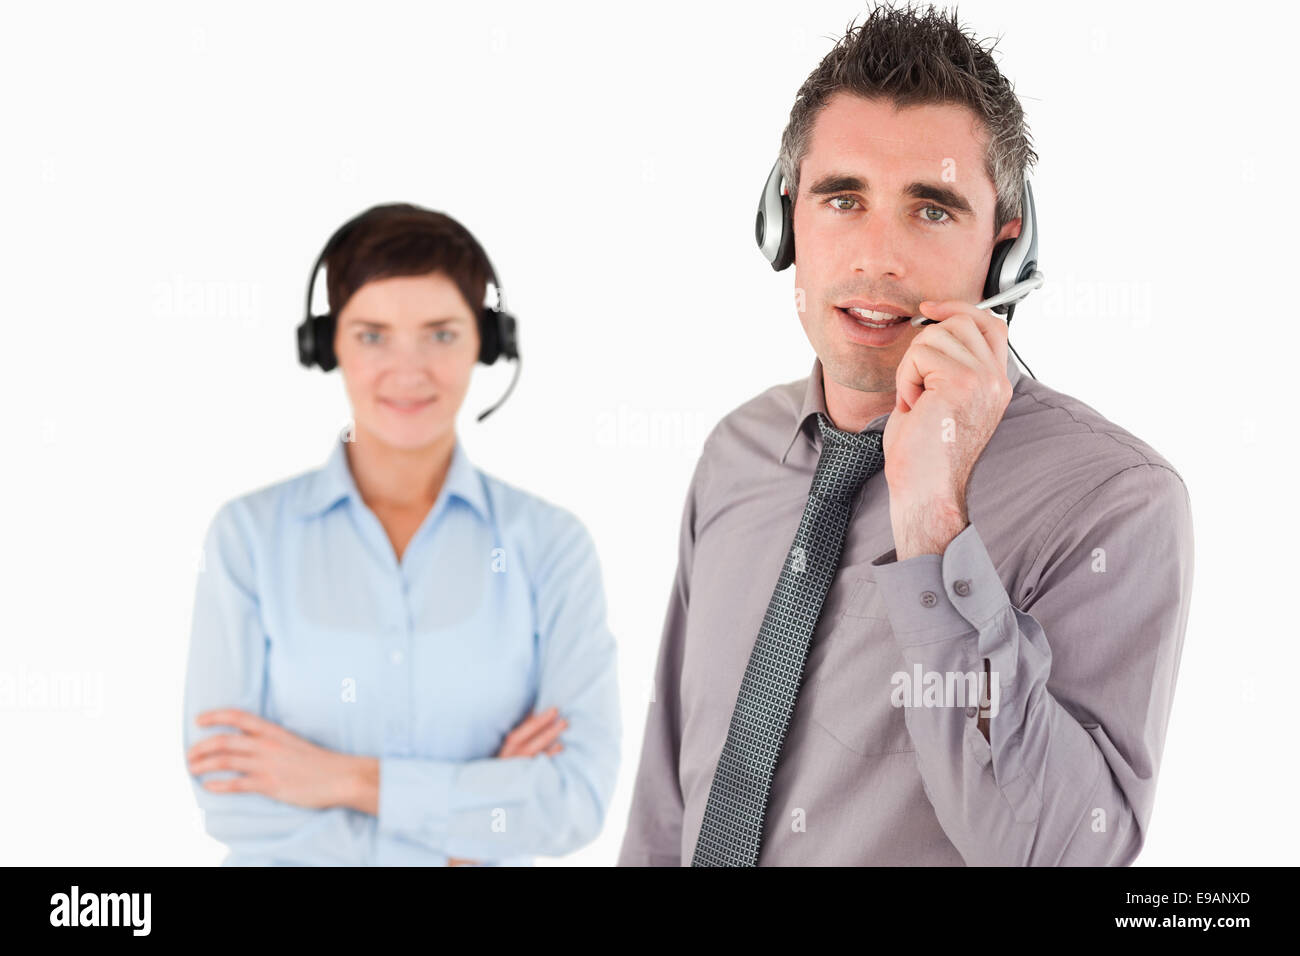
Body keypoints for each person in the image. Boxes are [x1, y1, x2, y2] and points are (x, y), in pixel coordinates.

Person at [617, 3, 1194, 866]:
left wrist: (934, 525)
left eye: (931, 210)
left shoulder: (1114, 502)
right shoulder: (736, 452)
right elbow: (666, 808)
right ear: (783, 222)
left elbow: (1062, 855)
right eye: (842, 198)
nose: (877, 256)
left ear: (1004, 249)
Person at [182, 203, 620, 865]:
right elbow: (228, 792)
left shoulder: (551, 547)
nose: (408, 368)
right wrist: (464, 826)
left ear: (486, 341)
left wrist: (342, 780)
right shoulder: (248, 538)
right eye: (372, 335)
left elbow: (574, 799)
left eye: (441, 334)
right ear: (327, 346)